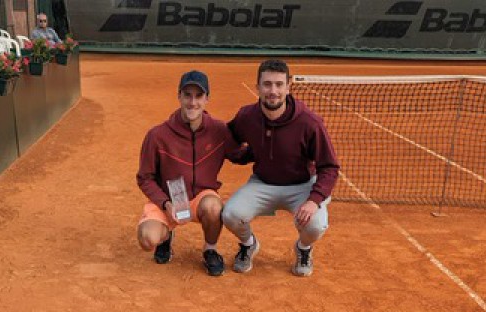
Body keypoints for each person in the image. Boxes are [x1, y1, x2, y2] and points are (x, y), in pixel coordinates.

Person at [222, 59, 340, 277]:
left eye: (278, 84)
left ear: (288, 86)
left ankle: (303, 249)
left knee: (316, 226)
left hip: (302, 186)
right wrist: (244, 155)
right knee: (230, 214)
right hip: (262, 183)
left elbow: (330, 167)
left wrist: (314, 200)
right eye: (267, 84)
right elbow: (228, 138)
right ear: (258, 87)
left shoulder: (310, 122)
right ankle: (249, 245)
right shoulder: (247, 116)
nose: (273, 91)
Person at [136, 71, 243, 277]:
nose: (192, 102)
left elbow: (240, 154)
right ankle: (166, 237)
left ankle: (210, 249)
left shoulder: (219, 130)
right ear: (179, 97)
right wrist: (165, 203)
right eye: (187, 95)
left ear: (207, 99)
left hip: (201, 198)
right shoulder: (157, 135)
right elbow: (145, 177)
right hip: (170, 200)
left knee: (213, 207)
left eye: (198, 96)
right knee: (147, 239)